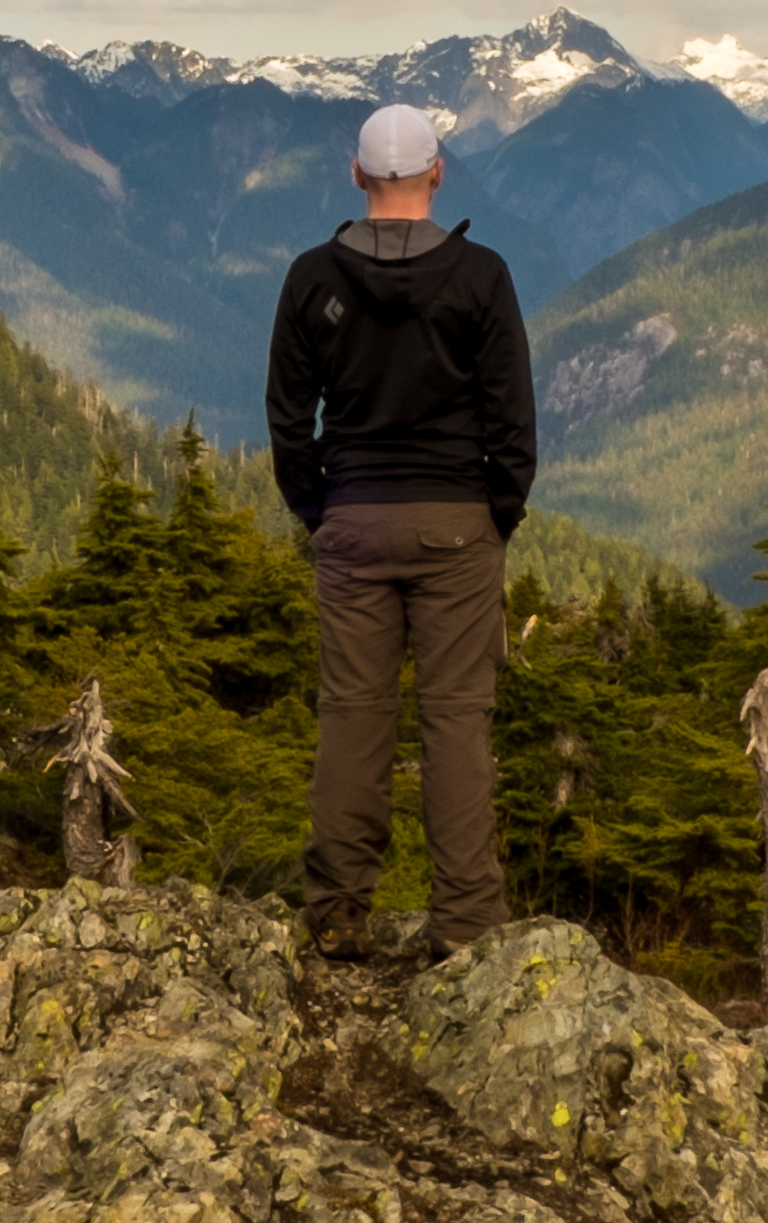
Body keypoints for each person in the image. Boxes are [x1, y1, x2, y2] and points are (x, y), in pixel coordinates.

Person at [266, 101, 534, 960]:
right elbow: (513, 421)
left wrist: (321, 510)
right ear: (438, 172)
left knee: (353, 712)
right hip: (456, 523)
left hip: (352, 520)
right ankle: (466, 923)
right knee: (455, 719)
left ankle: (339, 910)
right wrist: (494, 514)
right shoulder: (481, 277)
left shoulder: (311, 278)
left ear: (356, 174)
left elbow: (287, 420)